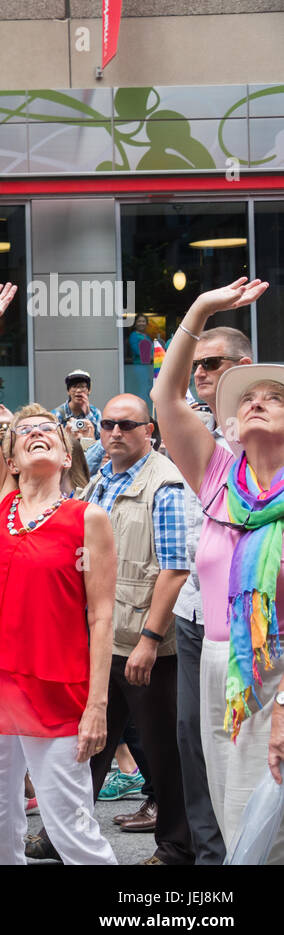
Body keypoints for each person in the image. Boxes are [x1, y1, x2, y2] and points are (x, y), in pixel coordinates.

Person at [0, 284, 118, 865]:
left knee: (73, 832)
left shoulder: (88, 517)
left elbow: (102, 615)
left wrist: (98, 705)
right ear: (9, 458)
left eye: (47, 431)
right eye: (25, 433)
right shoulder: (0, 496)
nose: (36, 433)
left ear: (67, 452)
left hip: (58, 693)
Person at [153, 277, 284, 862]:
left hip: (275, 671)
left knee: (269, 825)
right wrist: (201, 308)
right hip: (216, 661)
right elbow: (166, 398)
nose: (254, 401)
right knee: (236, 819)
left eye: (273, 397)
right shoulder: (218, 477)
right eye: (246, 399)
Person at [76, 394, 192, 866]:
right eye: (108, 424)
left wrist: (149, 639)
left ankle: (176, 849)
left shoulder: (163, 483)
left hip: (146, 646)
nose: (116, 432)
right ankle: (68, 835)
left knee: (164, 754)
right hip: (102, 640)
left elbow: (175, 568)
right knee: (88, 748)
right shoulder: (98, 481)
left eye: (128, 424)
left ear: (150, 431)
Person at [168, 324, 251, 865]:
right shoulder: (211, 452)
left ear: (243, 368)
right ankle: (211, 859)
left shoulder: (258, 454)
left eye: (214, 363)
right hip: (197, 619)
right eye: (197, 364)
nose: (202, 372)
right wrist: (199, 310)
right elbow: (166, 395)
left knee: (252, 753)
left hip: (258, 630)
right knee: (196, 743)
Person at [55, 370, 102, 440]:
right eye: (74, 387)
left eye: (82, 387)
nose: (78, 391)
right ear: (68, 391)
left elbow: (100, 441)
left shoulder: (95, 413)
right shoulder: (57, 414)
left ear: (89, 390)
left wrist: (88, 414)